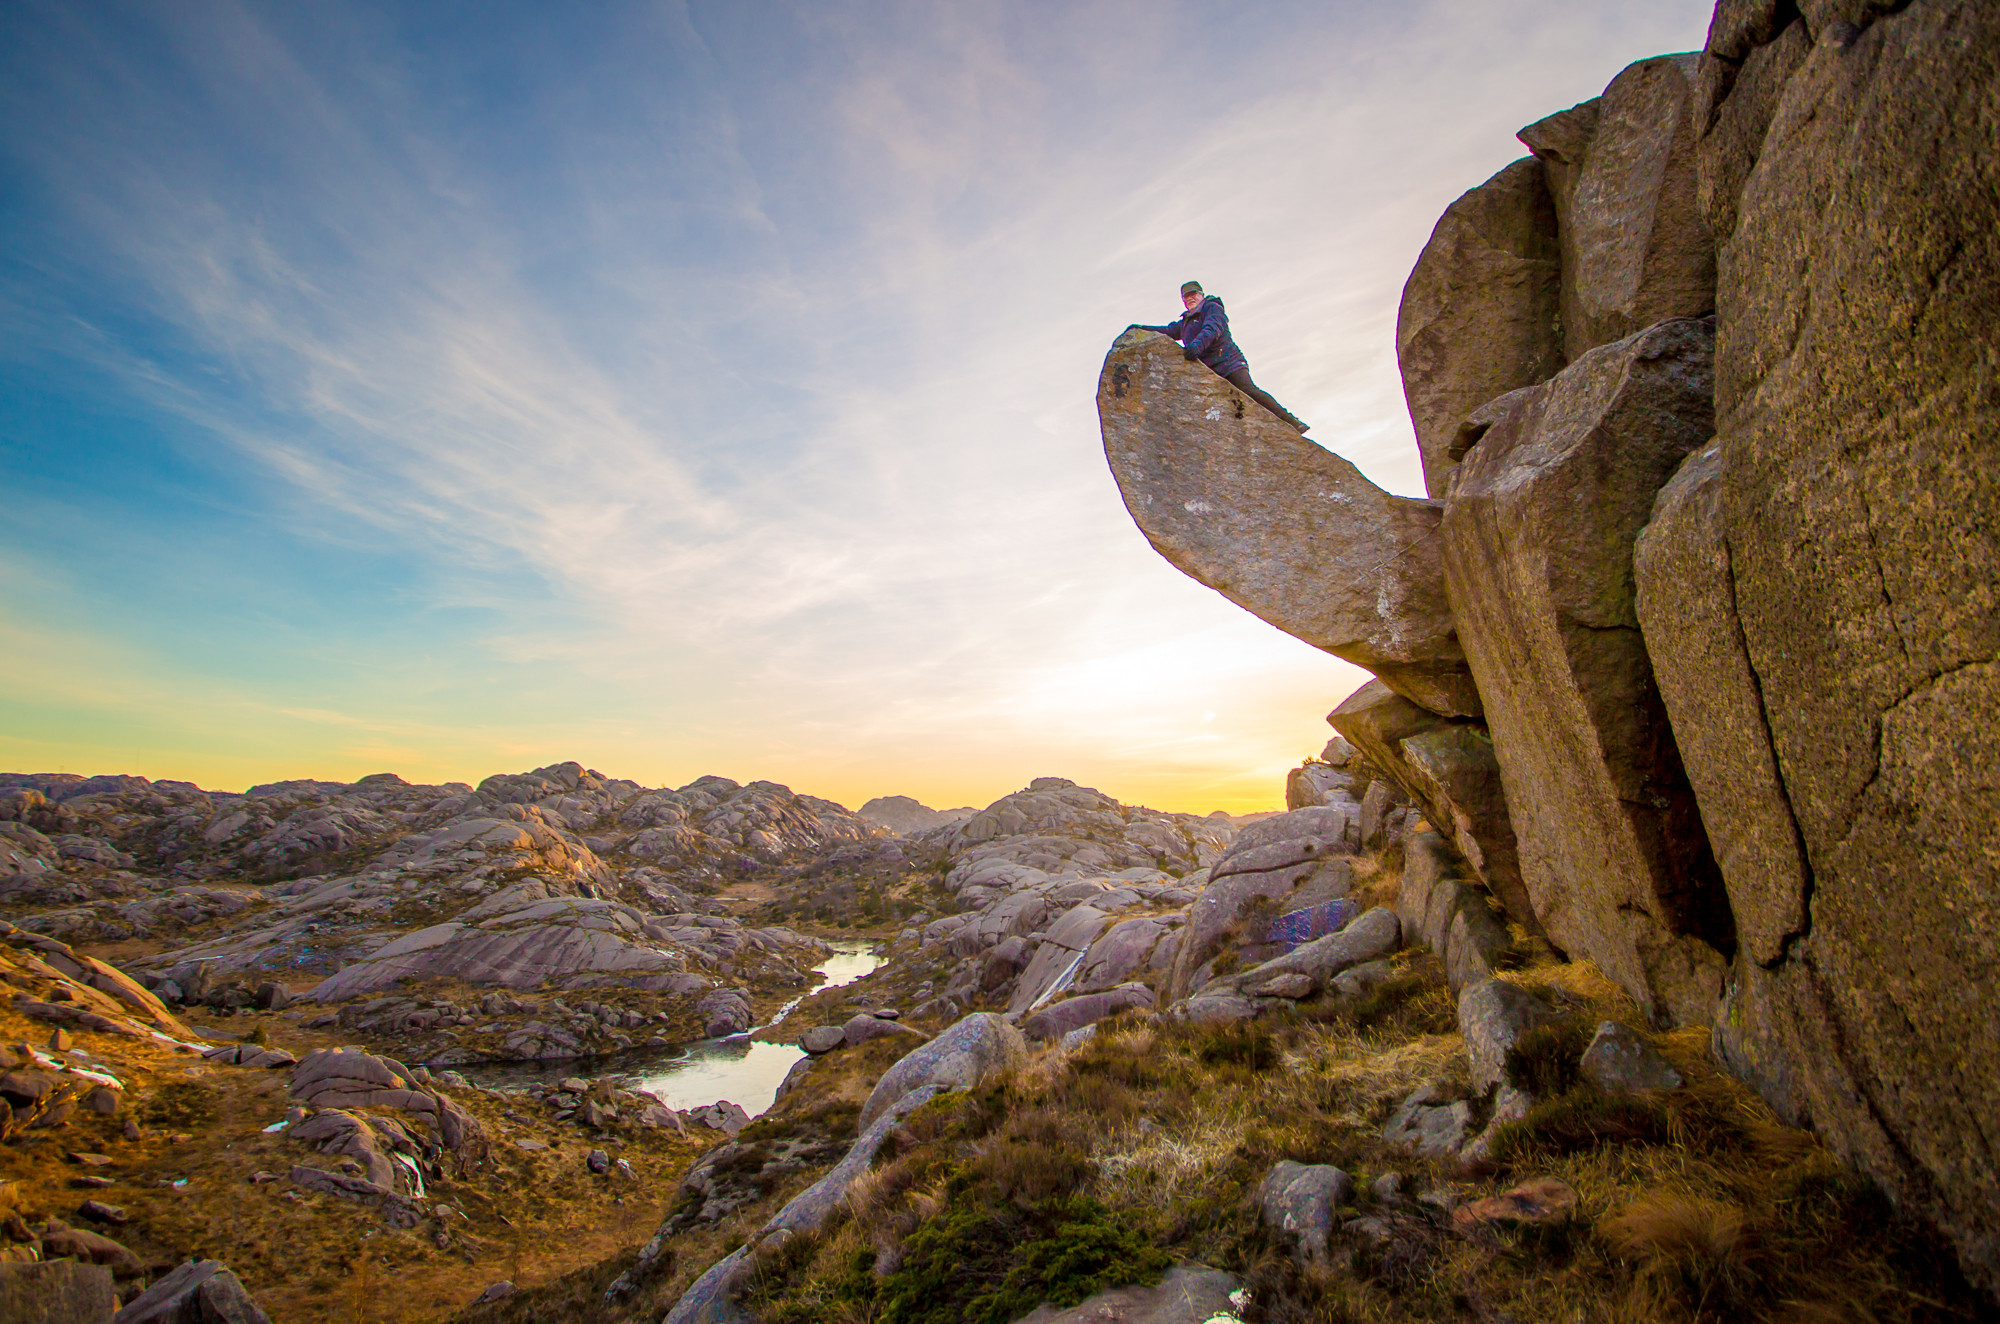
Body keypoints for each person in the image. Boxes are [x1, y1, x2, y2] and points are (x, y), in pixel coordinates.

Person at [1137, 281, 1310, 433]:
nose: (1190, 298)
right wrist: (1141, 329)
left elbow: (1212, 329)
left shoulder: (1212, 308)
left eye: (1193, 294)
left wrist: (1196, 346)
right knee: (1226, 408)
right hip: (1211, 371)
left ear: (1201, 295)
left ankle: (1291, 422)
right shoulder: (1185, 323)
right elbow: (1167, 331)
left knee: (1249, 391)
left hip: (1230, 362)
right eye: (1186, 296)